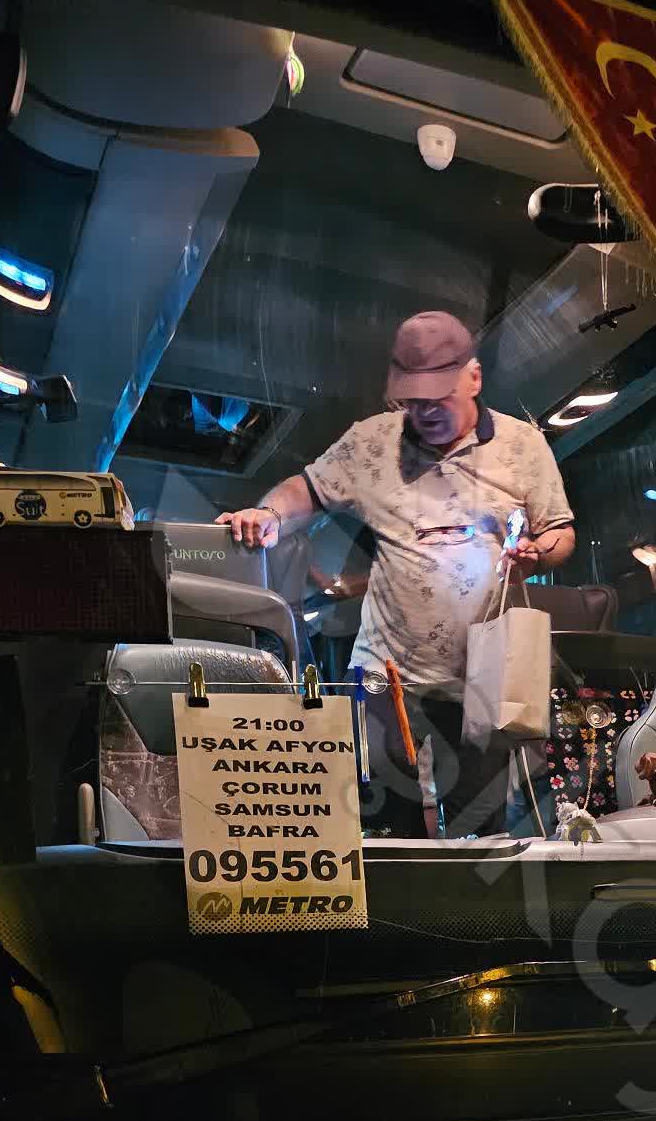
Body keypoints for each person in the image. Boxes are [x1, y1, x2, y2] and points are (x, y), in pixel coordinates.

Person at [217, 311, 576, 836]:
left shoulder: (523, 447)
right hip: (384, 675)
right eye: (413, 400)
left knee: (482, 831)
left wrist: (537, 553)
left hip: (481, 677)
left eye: (438, 398)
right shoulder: (372, 442)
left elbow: (560, 532)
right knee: (385, 830)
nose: (425, 412)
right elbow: (306, 490)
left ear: (473, 378)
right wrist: (268, 515)